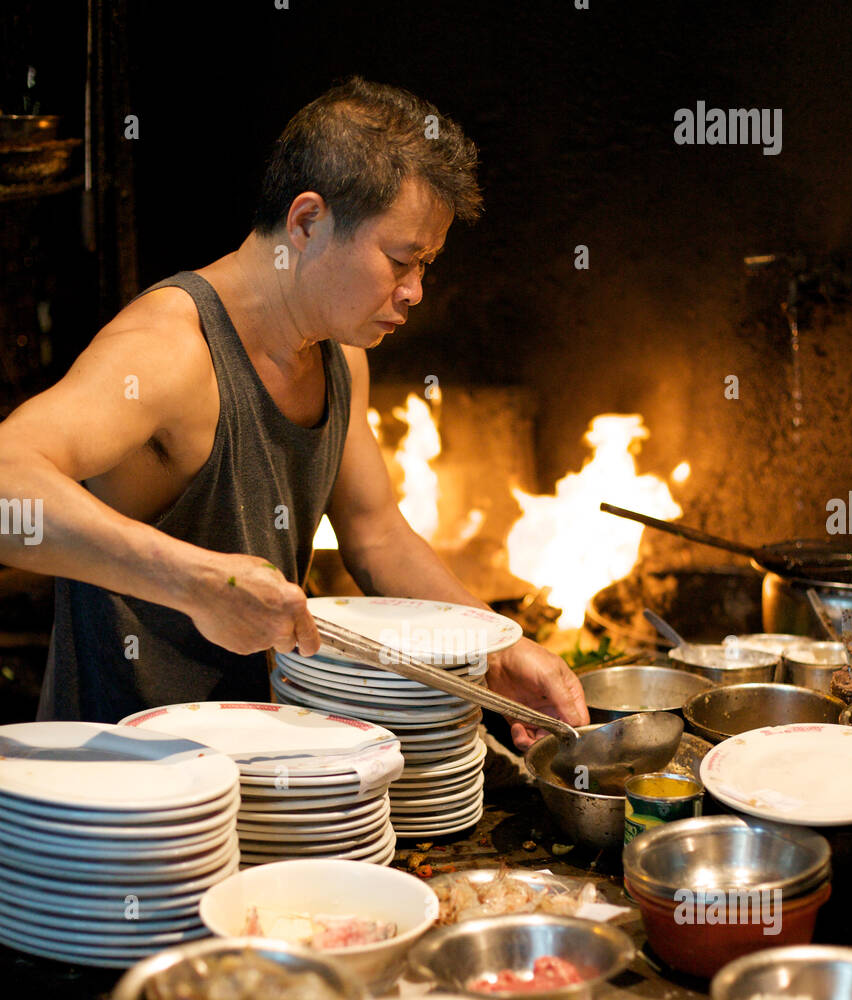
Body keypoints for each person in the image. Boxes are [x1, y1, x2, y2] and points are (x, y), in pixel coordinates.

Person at [0, 76, 588, 748]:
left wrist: (495, 647)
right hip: (121, 791)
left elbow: (376, 536)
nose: (416, 291)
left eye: (427, 265)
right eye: (401, 261)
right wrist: (196, 582)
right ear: (308, 222)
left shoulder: (340, 355)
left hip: (263, 768)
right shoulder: (169, 350)